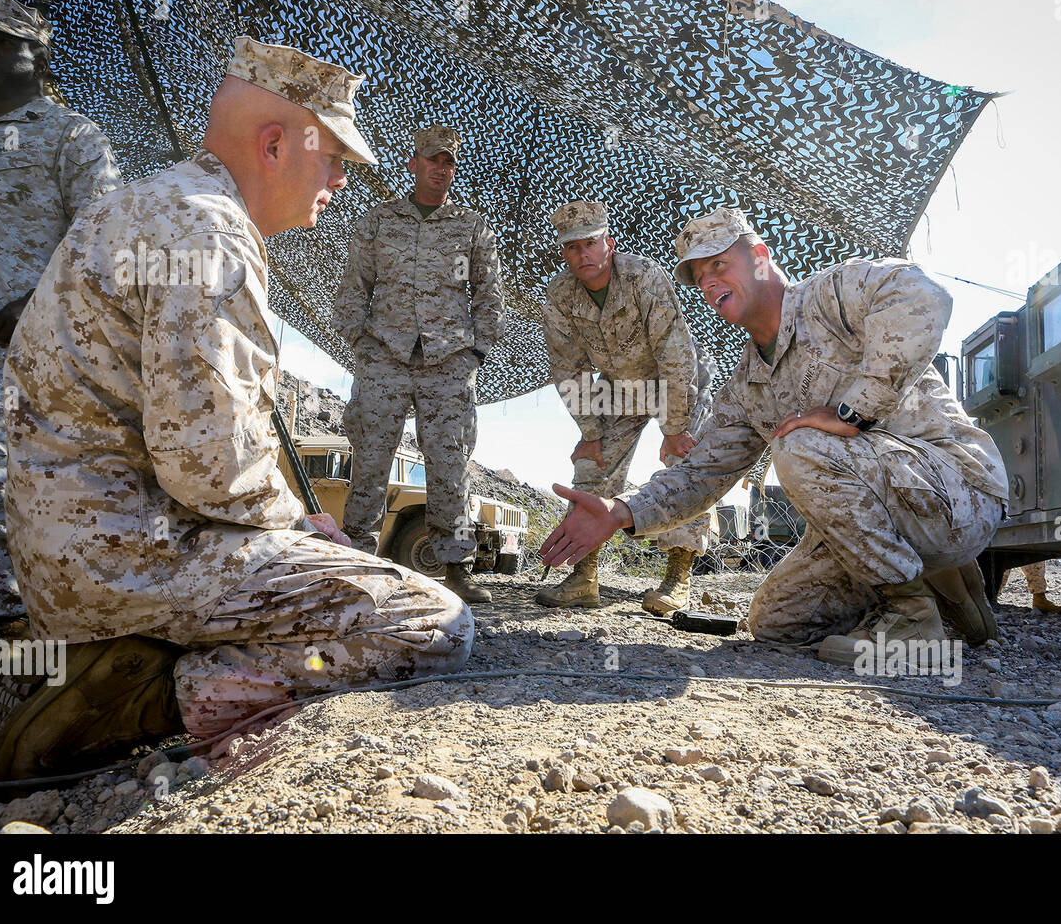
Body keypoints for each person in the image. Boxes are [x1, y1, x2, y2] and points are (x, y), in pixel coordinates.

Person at [0, 37, 473, 781]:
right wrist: (299, 526)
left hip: (68, 560)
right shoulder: (209, 233)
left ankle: (92, 660)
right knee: (433, 623)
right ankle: (141, 700)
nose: (341, 180)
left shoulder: (137, 205)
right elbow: (211, 468)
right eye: (334, 159)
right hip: (130, 562)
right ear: (274, 146)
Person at [540, 207, 1009, 665]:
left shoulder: (828, 298)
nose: (709, 283)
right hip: (878, 521)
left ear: (760, 257)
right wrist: (620, 511)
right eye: (700, 277)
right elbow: (701, 473)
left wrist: (855, 411)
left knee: (799, 444)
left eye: (719, 264)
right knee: (777, 621)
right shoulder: (746, 387)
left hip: (957, 490)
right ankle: (941, 584)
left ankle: (912, 614)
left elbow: (922, 293)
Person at [0, 0, 120, 678]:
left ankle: (11, 657)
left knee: (2, 487)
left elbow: (104, 238)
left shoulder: (71, 136)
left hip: (22, 348)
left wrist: (36, 299)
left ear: (39, 53)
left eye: (4, 40)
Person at [333, 124, 503, 605]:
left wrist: (474, 354)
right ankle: (357, 560)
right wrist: (360, 343)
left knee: (450, 462)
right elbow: (354, 286)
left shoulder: (472, 227)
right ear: (414, 164)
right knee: (370, 458)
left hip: (447, 362)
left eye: (448, 162)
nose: (440, 168)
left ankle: (456, 567)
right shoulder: (378, 221)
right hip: (383, 356)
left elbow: (489, 295)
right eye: (432, 159)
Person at [535, 201, 714, 613]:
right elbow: (569, 367)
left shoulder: (643, 275)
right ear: (564, 253)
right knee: (591, 465)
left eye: (590, 243)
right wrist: (590, 433)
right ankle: (583, 577)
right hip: (619, 383)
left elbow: (674, 354)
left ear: (609, 244)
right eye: (572, 247)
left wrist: (674, 427)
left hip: (677, 377)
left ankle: (677, 580)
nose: (583, 254)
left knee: (686, 463)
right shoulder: (561, 294)